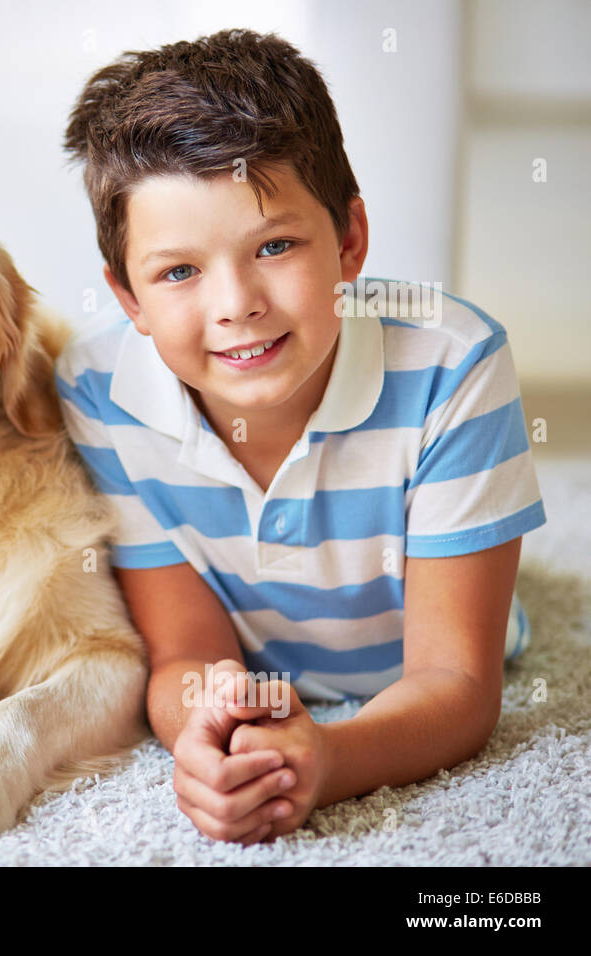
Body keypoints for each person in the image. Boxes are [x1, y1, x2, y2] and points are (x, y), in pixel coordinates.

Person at [55, 30, 545, 844]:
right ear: (128, 295)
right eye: (179, 272)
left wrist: (327, 758)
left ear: (349, 241)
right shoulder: (98, 390)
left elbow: (455, 682)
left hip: (421, 651)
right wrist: (213, 734)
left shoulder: (453, 363)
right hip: (254, 679)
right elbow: (182, 655)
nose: (235, 304)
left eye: (275, 246)